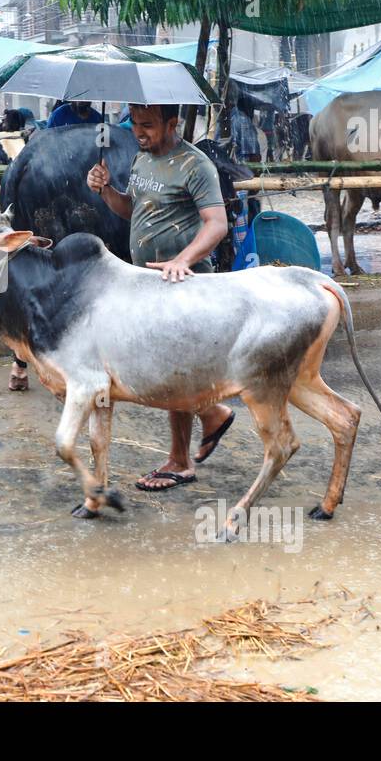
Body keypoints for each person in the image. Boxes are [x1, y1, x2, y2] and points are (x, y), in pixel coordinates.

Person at [86, 103, 235, 491]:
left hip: (184, 284)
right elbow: (131, 210)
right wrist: (106, 191)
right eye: (135, 124)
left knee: (173, 368)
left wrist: (182, 260)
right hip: (149, 283)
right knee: (173, 366)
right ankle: (213, 415)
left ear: (173, 123)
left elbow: (217, 223)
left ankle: (181, 460)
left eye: (148, 126)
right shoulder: (141, 160)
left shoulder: (195, 165)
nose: (139, 132)